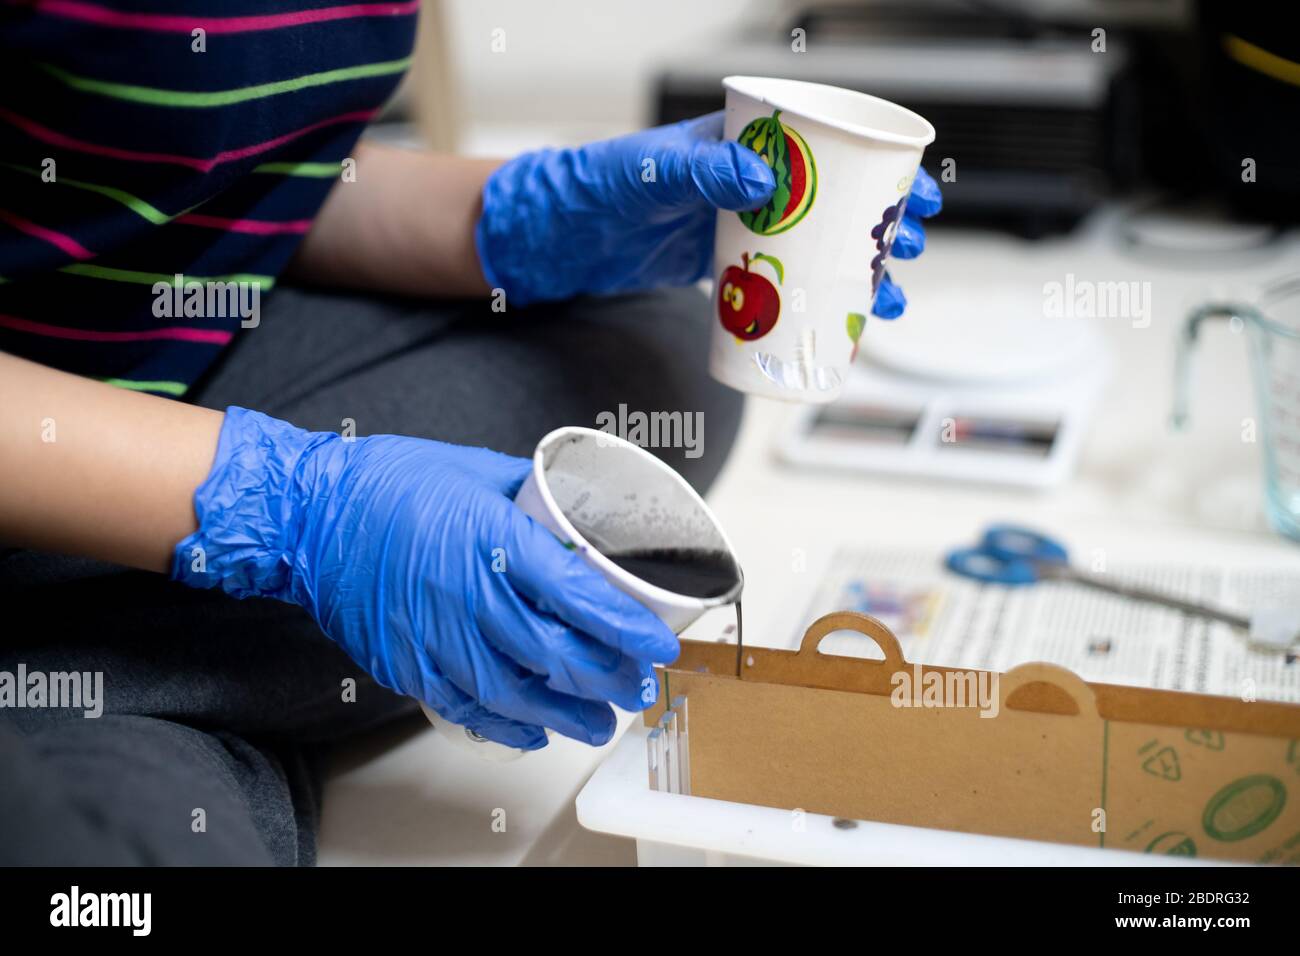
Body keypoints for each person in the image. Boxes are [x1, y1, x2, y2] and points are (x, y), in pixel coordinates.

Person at [0, 1, 940, 865]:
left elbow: (244, 181)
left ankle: (116, 638)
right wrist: (285, 507)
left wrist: (513, 221)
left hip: (171, 355)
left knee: (650, 362)